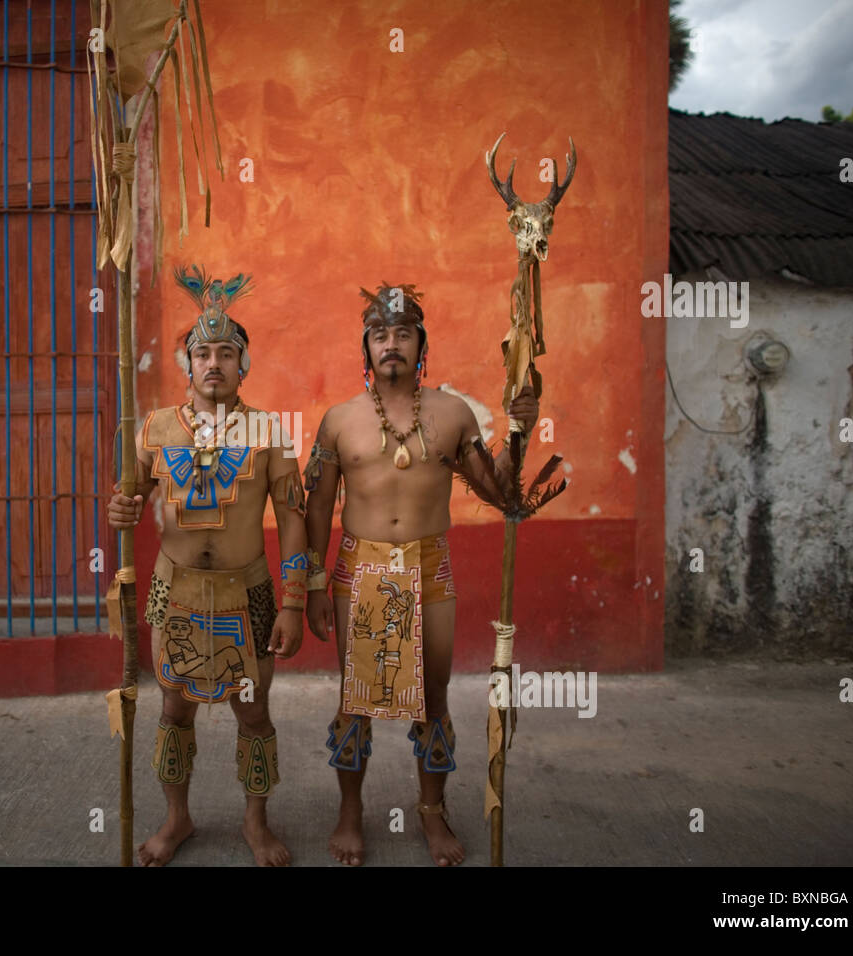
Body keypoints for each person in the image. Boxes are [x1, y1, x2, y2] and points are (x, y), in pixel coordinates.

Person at [303, 282, 538, 867]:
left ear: (420, 344)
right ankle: (351, 811)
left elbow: (499, 491)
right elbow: (314, 509)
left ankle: (432, 812)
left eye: (402, 334)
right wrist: (308, 587)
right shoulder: (338, 420)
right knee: (355, 700)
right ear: (366, 348)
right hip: (358, 570)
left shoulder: (453, 414)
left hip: (430, 570)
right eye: (380, 335)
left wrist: (520, 430)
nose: (391, 345)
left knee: (433, 698)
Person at [107, 265, 307, 867]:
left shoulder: (269, 431)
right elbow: (130, 497)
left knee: (253, 709)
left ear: (244, 365)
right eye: (202, 352)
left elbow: (294, 517)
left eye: (227, 352)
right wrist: (121, 509)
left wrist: (294, 601)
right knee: (173, 709)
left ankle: (255, 823)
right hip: (176, 593)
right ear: (186, 365)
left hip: (250, 595)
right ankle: (177, 816)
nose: (214, 362)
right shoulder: (153, 429)